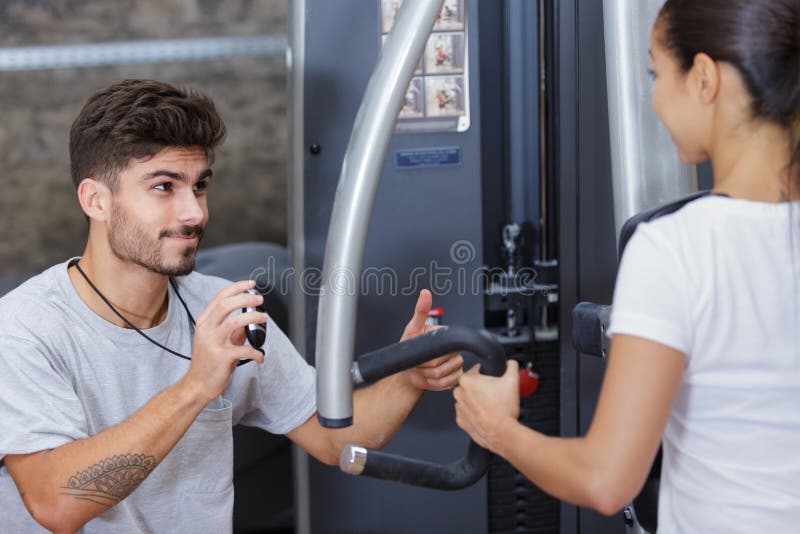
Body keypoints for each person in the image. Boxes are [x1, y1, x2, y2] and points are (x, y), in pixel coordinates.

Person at [0, 79, 464, 534]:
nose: (195, 213)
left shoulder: (221, 309)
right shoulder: (24, 328)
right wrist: (197, 386)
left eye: (199, 187)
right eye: (164, 187)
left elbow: (332, 438)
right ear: (95, 200)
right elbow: (55, 504)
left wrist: (409, 378)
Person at [453, 1, 800, 532]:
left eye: (656, 74)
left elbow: (606, 480)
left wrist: (495, 426)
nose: (655, 99)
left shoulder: (674, 246)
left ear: (704, 78)